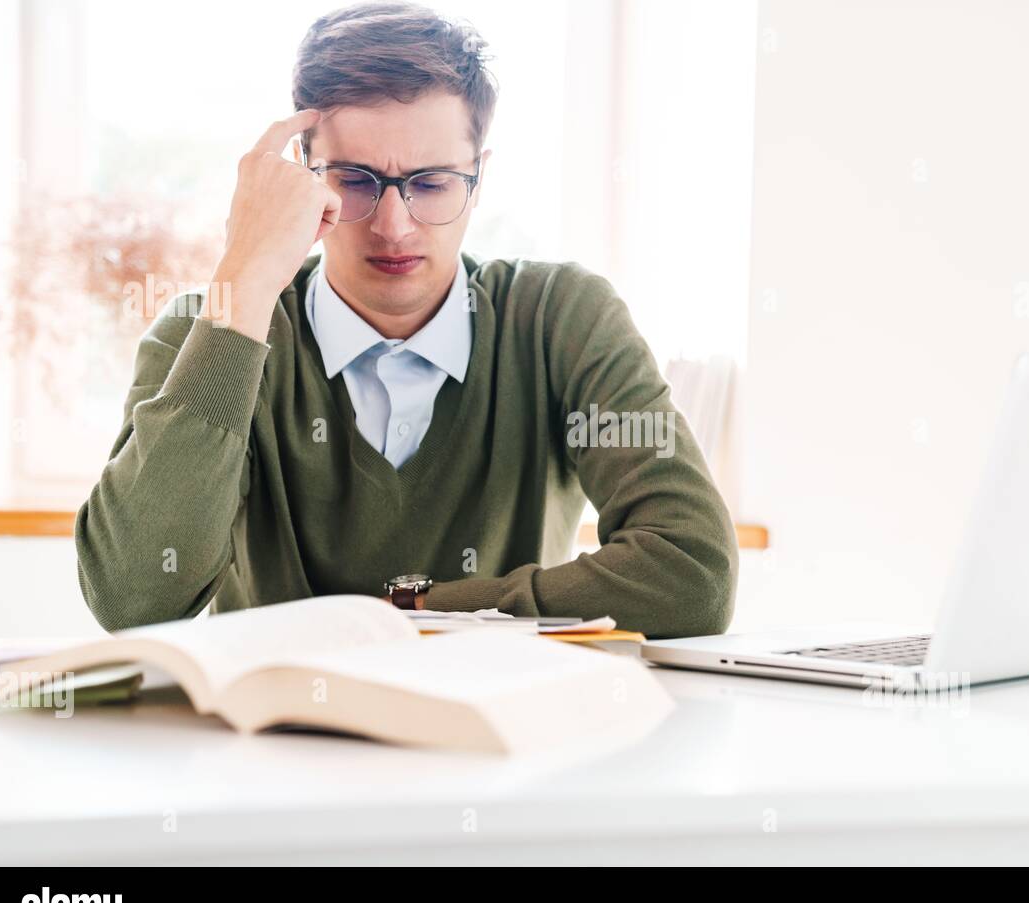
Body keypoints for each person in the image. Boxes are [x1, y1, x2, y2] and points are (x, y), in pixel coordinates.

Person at [75, 1, 737, 637]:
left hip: (508, 741)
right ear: (303, 175)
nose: (394, 226)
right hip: (270, 746)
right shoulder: (211, 326)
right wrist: (245, 274)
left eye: (431, 183)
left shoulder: (561, 320)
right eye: (355, 180)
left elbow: (691, 575)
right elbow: (134, 597)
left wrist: (413, 612)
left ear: (479, 179)